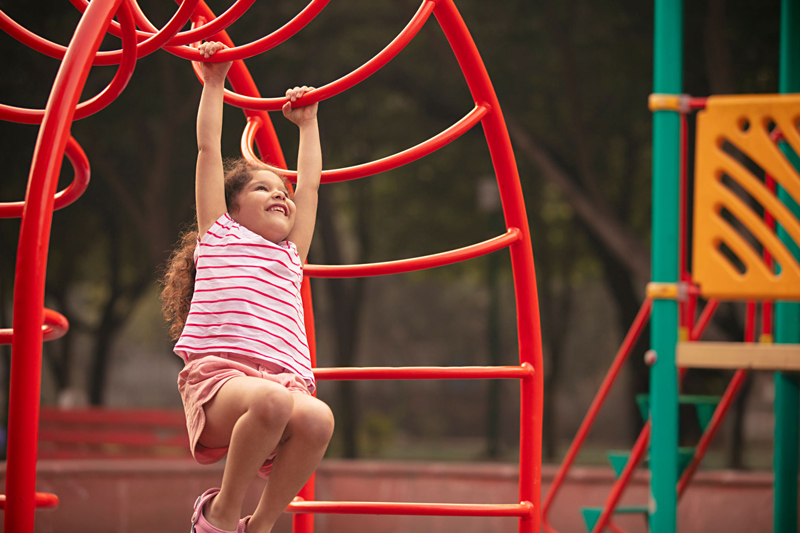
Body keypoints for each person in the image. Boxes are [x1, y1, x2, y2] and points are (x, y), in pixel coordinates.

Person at [160, 41, 333, 533]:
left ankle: (259, 526)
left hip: (282, 384)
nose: (281, 194)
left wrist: (308, 124)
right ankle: (219, 513)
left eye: (283, 192)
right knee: (272, 401)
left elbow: (310, 186)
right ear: (232, 207)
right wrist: (215, 82)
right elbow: (208, 150)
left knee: (319, 418)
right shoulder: (219, 234)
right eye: (262, 188)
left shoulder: (291, 255)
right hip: (221, 384)